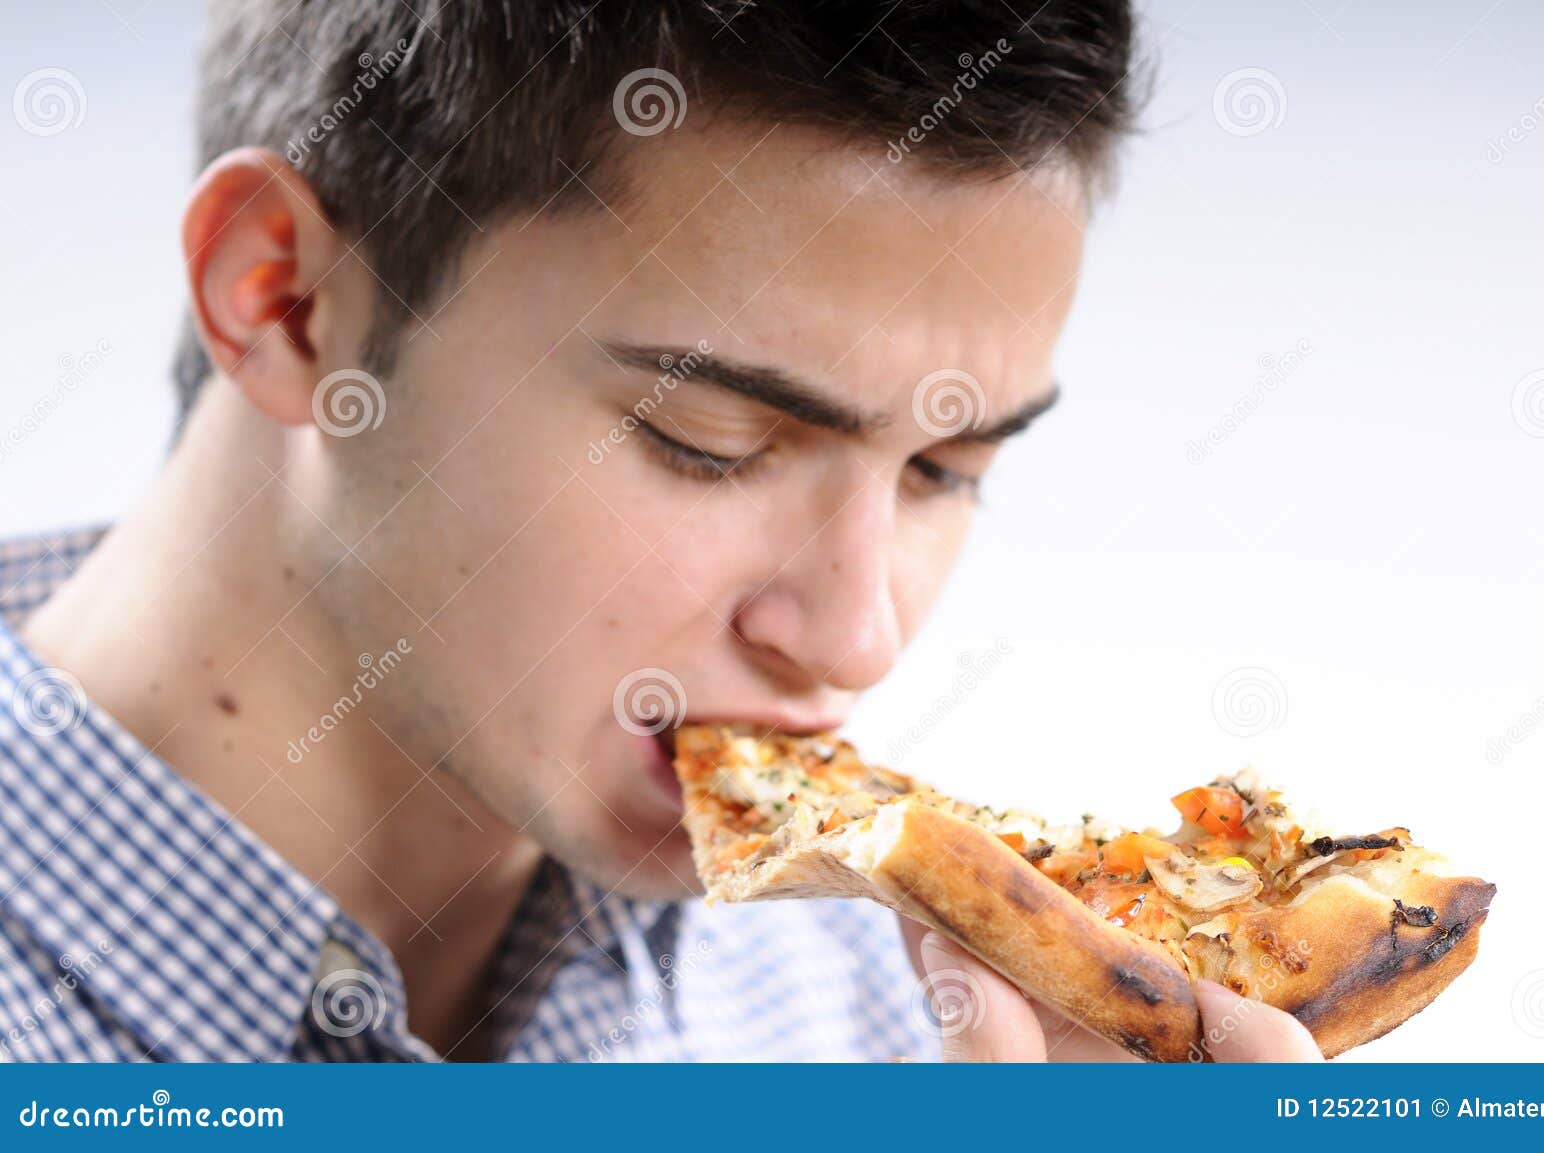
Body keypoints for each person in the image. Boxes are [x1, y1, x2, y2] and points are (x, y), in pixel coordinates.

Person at [0, 0, 1319, 1062]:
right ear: (286, 299)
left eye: (944, 469)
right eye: (711, 440)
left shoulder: (907, 1023)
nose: (856, 642)